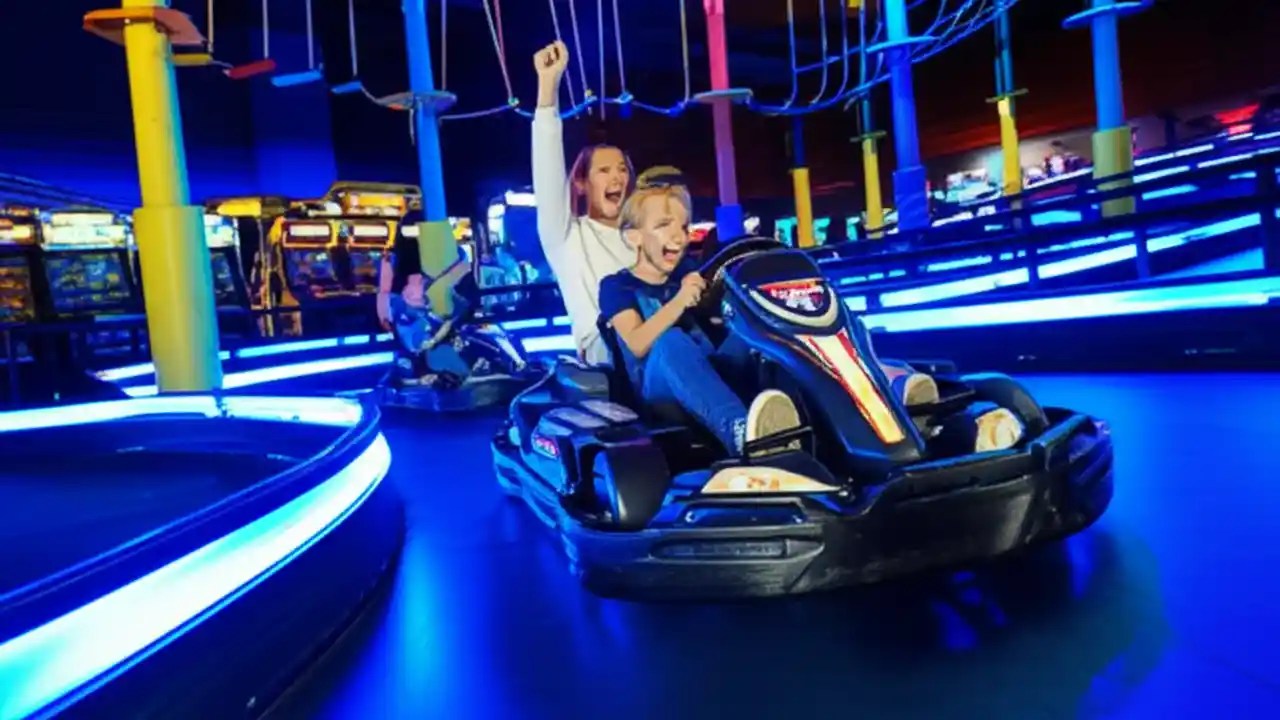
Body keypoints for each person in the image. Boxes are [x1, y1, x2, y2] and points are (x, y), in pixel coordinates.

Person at [599, 184, 802, 457]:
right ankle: (744, 435)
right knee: (671, 341)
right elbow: (636, 343)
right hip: (659, 390)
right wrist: (681, 300)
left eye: (684, 227)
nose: (679, 237)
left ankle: (806, 421)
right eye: (663, 225)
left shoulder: (689, 273)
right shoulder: (617, 286)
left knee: (758, 330)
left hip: (708, 369)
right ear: (633, 236)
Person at [532, 40, 635, 364]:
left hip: (657, 343)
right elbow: (548, 173)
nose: (617, 178)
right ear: (580, 183)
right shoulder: (566, 238)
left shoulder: (641, 237)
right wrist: (548, 88)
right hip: (606, 350)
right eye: (604, 171)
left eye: (622, 169)